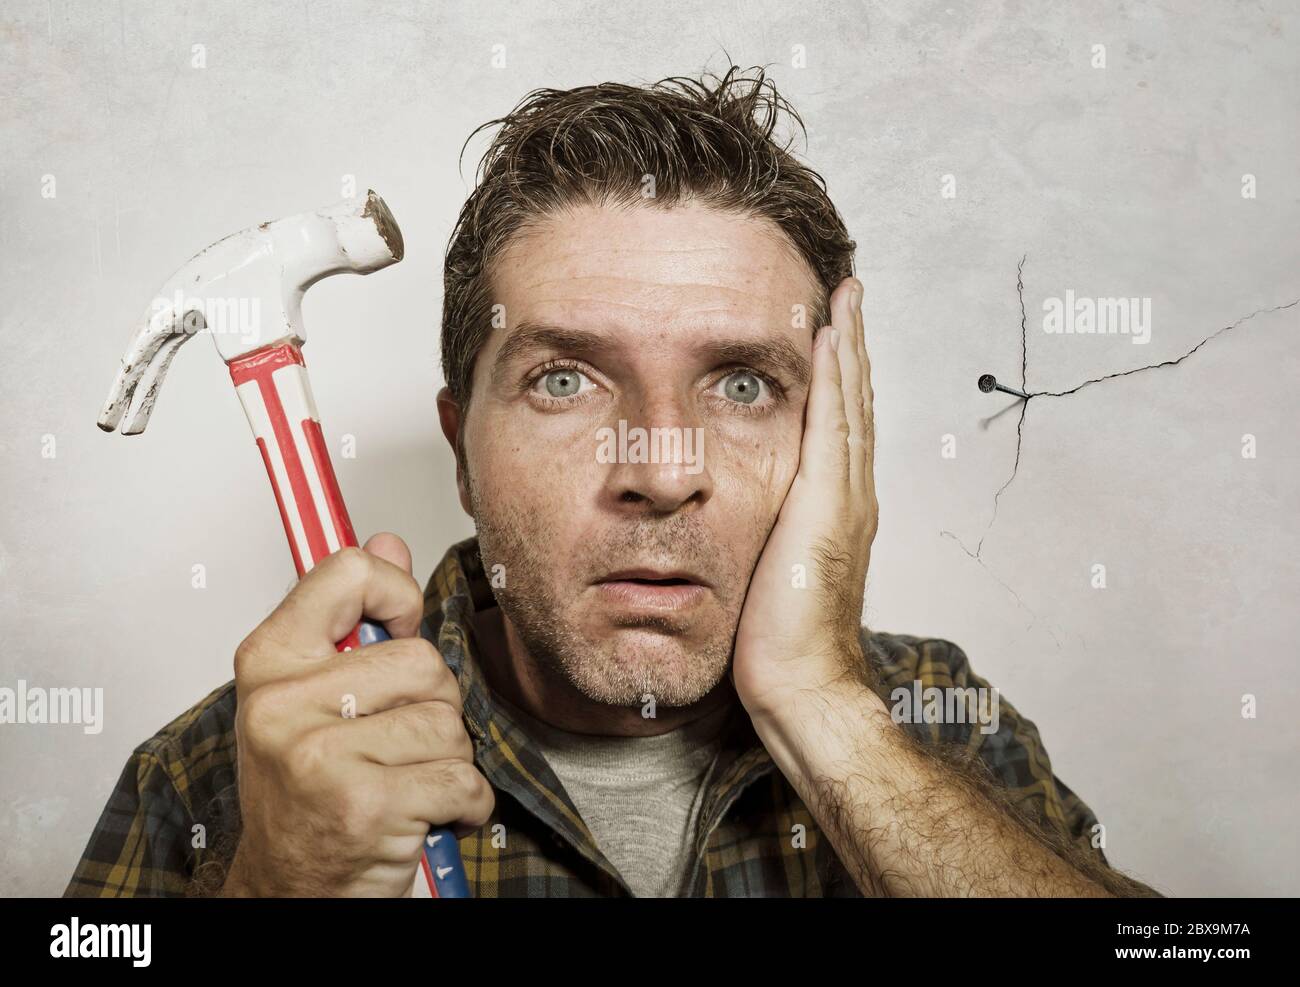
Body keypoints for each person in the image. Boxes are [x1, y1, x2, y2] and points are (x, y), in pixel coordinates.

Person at [66, 66, 1160, 898]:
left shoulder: (935, 725)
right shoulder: (229, 771)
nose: (660, 471)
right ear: (459, 449)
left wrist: (828, 716)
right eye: (564, 380)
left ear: (833, 442)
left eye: (740, 384)